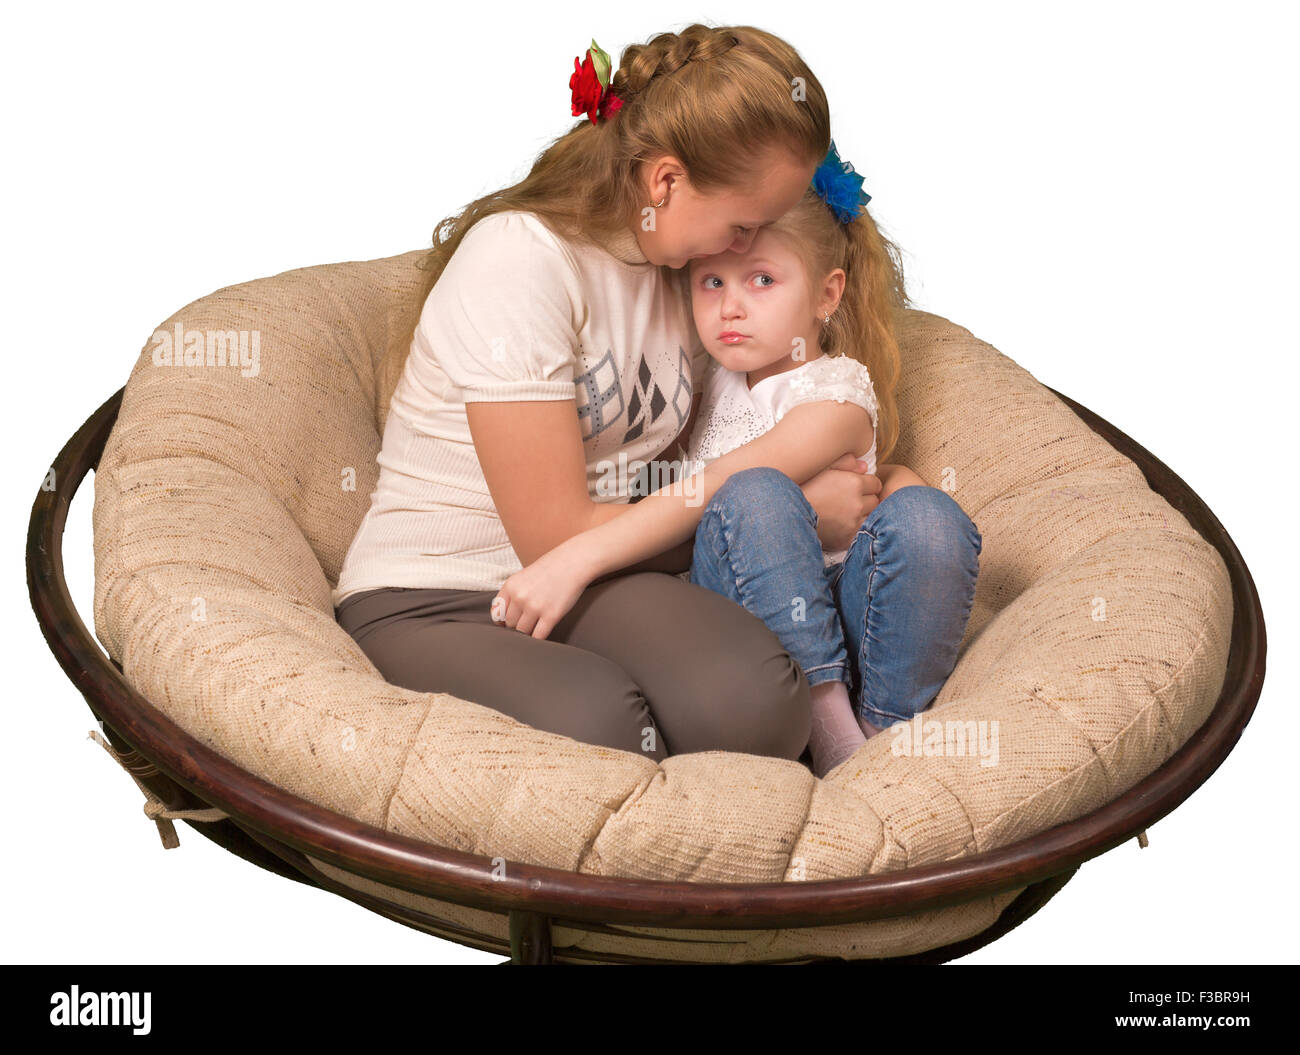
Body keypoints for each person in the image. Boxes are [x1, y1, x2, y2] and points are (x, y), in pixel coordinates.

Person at [334, 25, 901, 765]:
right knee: (605, 725)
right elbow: (555, 533)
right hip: (435, 593)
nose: (746, 247)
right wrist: (781, 517)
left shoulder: (681, 275)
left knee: (759, 706)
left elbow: (765, 422)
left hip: (598, 568)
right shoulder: (521, 261)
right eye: (743, 223)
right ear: (664, 182)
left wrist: (881, 485)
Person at [490, 142, 982, 777]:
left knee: (915, 517)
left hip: (854, 606)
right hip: (745, 615)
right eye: (711, 282)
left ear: (827, 296)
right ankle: (830, 728)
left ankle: (879, 727)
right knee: (760, 499)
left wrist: (903, 491)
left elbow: (732, 479)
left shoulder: (837, 392)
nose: (730, 307)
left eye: (763, 281)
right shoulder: (697, 380)